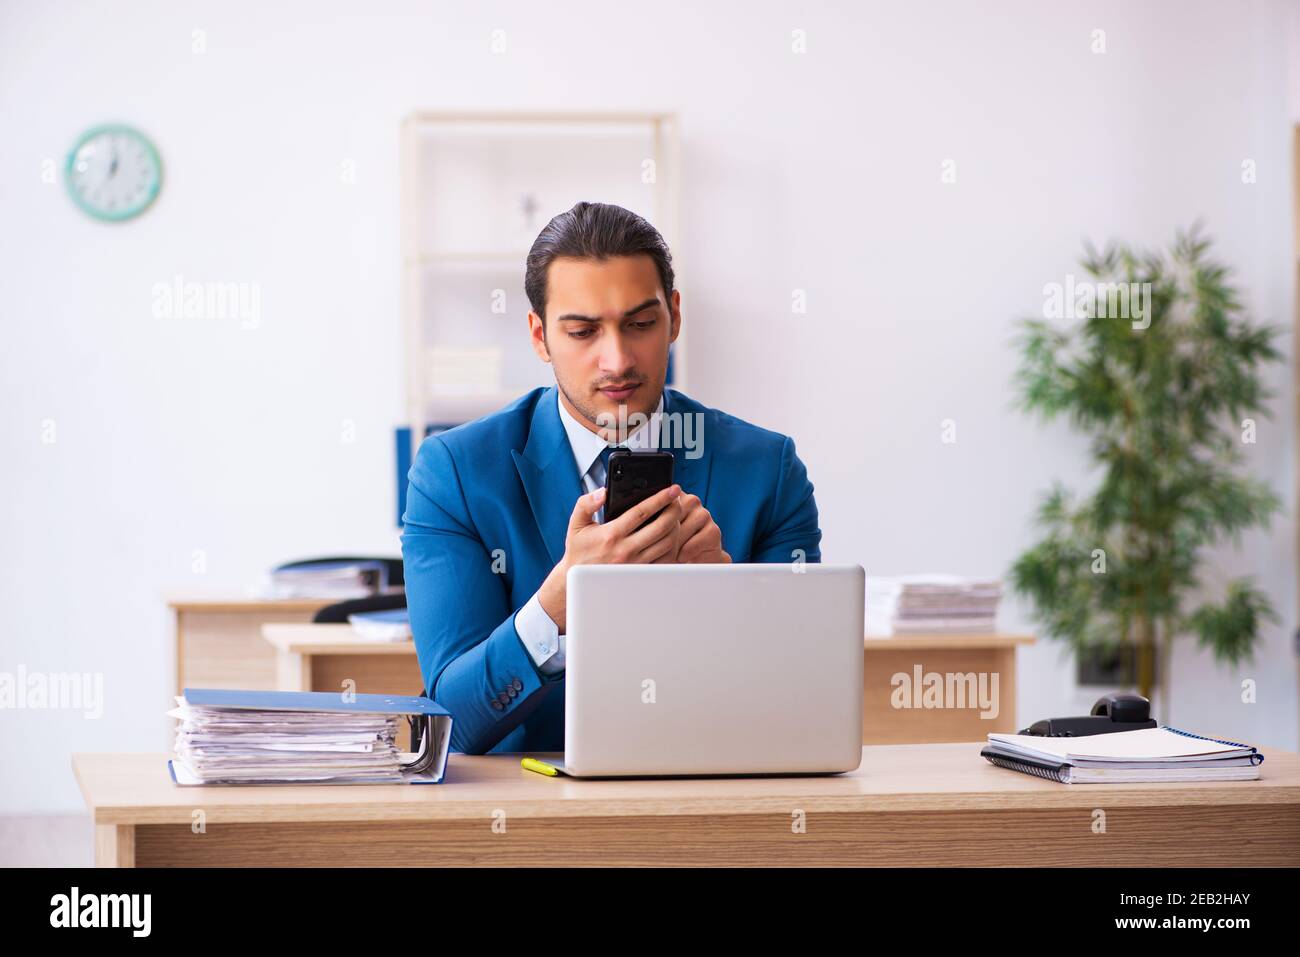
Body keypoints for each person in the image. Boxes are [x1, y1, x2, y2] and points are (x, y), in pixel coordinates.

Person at [401, 201, 821, 754]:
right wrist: (556, 607)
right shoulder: (453, 473)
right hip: (528, 812)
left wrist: (723, 602)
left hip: (714, 798)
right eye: (582, 331)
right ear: (539, 335)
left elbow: (804, 707)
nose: (617, 360)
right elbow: (457, 720)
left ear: (674, 316)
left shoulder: (769, 470)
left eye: (641, 324)